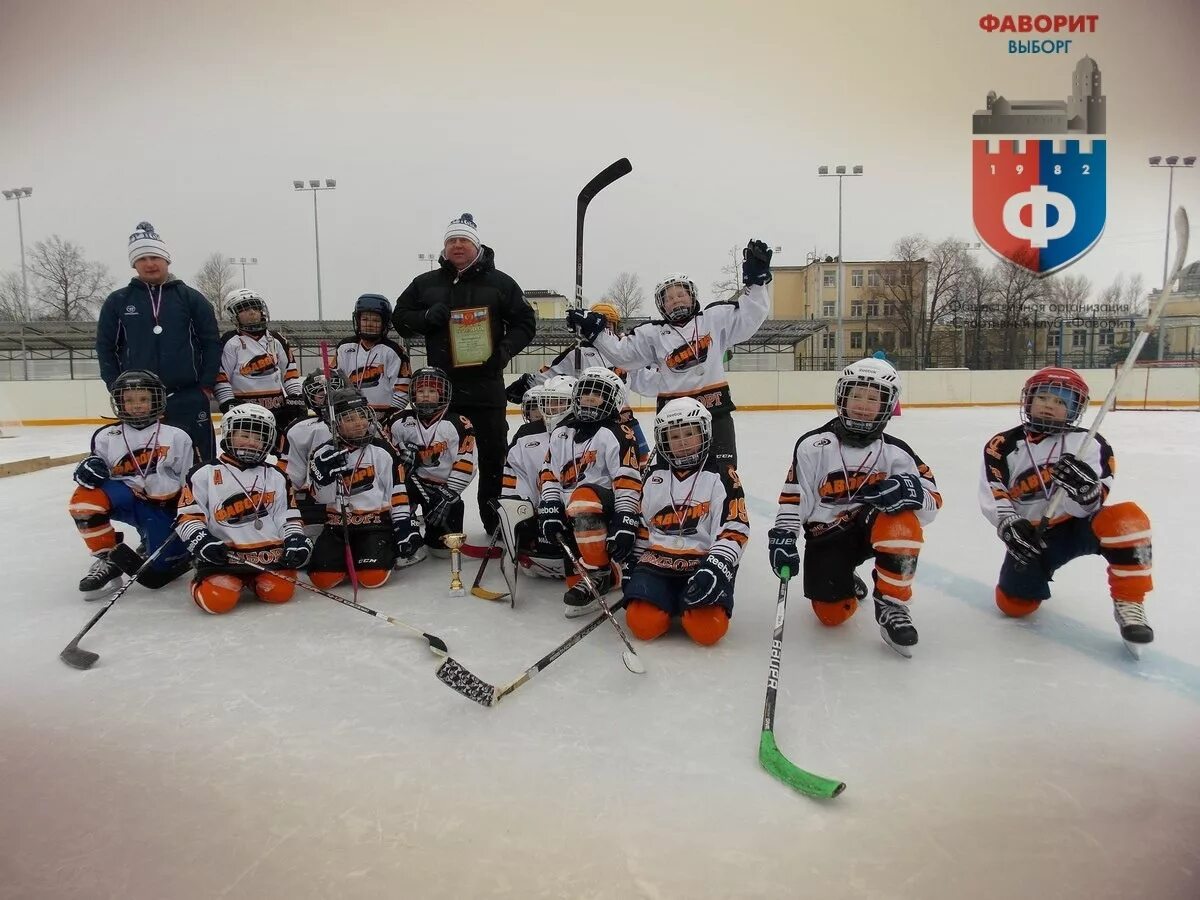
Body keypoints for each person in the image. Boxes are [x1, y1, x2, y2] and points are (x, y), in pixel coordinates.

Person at [767, 358, 941, 657]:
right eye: (856, 395)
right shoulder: (813, 446)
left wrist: (913, 492)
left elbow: (931, 502)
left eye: (873, 398)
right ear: (842, 398)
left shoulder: (897, 453)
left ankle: (892, 603)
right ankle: (847, 579)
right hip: (827, 535)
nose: (863, 404)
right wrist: (784, 534)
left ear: (888, 405)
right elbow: (794, 498)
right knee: (831, 615)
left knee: (900, 522)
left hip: (872, 526)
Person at [978, 366, 1154, 653]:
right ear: (1028, 400)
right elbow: (993, 490)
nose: (1049, 406)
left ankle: (1130, 603)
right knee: (1013, 605)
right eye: (1043, 397)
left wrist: (1086, 491)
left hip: (1076, 526)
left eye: (1061, 402)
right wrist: (1009, 524)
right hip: (1032, 537)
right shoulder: (1003, 445)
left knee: (1127, 520)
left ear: (1075, 409)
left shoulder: (1089, 443)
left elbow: (1096, 499)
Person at [566, 239, 773, 468]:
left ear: (693, 296)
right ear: (661, 305)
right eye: (669, 298)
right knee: (671, 479)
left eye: (681, 294)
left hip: (716, 412)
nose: (676, 300)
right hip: (673, 419)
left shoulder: (715, 318)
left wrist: (757, 282)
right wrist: (597, 332)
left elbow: (750, 317)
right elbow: (623, 355)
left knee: (723, 474)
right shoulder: (652, 334)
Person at [393, 213, 537, 537]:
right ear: (444, 248)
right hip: (441, 394)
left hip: (486, 389)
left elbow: (526, 323)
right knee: (437, 457)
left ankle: (494, 520)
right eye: (451, 241)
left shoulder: (501, 283)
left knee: (492, 457)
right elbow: (400, 318)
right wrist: (427, 317)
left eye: (464, 240)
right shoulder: (425, 284)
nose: (457, 246)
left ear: (476, 245)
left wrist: (502, 352)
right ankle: (440, 518)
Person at [623, 398, 750, 646]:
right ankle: (666, 600)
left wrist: (716, 567)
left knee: (707, 631)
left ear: (705, 432)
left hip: (702, 564)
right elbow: (642, 525)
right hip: (657, 562)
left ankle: (681, 603)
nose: (682, 442)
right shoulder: (654, 476)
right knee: (642, 625)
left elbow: (735, 528)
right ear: (662, 439)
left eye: (689, 433)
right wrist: (632, 566)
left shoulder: (722, 476)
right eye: (674, 435)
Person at [96, 221, 221, 461]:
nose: (150, 264)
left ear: (167, 260)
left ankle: (198, 499)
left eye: (155, 257)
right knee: (145, 461)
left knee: (199, 460)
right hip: (139, 397)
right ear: (134, 263)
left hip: (187, 394)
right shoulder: (118, 301)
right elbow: (105, 346)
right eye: (142, 259)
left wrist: (205, 386)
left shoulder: (191, 298)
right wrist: (115, 386)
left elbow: (211, 343)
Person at [174, 404, 312, 614]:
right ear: (228, 433)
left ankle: (253, 581)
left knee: (279, 593)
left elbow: (288, 518)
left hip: (268, 557)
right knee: (217, 602)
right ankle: (204, 583)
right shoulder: (204, 474)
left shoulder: (277, 476)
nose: (251, 442)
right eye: (244, 434)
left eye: (258, 437)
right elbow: (188, 518)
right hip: (225, 558)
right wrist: (202, 541)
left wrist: (295, 540)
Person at [68, 370, 194, 595]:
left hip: (163, 507)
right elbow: (98, 472)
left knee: (164, 564)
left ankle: (153, 540)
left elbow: (190, 482)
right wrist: (87, 470)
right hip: (126, 499)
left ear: (157, 400)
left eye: (144, 399)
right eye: (129, 400)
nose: (136, 405)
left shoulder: (177, 436)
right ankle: (108, 558)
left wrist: (187, 519)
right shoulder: (106, 436)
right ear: (119, 402)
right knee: (85, 501)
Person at [537, 367, 642, 617]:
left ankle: (600, 573)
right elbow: (549, 474)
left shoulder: (617, 432)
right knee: (572, 583)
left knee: (583, 497)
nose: (589, 399)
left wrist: (626, 520)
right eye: (585, 394)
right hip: (572, 512)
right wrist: (550, 508)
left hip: (601, 509)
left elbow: (627, 481)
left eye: (598, 395)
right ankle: (611, 570)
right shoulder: (561, 432)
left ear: (613, 401)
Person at [508, 301, 650, 467]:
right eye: (604, 325)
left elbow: (648, 374)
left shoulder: (625, 351)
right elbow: (553, 373)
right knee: (593, 461)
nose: (607, 329)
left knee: (639, 460)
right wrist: (528, 383)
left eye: (610, 324)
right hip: (590, 416)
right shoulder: (578, 353)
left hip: (624, 416)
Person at [306, 388, 421, 588]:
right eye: (350, 419)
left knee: (371, 578)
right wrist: (323, 480)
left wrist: (403, 525)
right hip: (337, 527)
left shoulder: (382, 451)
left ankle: (373, 553)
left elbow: (397, 492)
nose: (359, 423)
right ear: (334, 423)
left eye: (362, 416)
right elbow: (321, 499)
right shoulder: (323, 453)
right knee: (322, 579)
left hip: (375, 525)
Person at [387, 367, 477, 565]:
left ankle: (432, 531)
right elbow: (383, 457)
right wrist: (401, 461)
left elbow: (466, 462)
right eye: (421, 391)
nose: (425, 396)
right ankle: (406, 529)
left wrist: (449, 494)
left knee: (442, 551)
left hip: (441, 489)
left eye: (431, 391)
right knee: (396, 507)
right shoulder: (399, 421)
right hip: (409, 484)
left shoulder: (458, 423)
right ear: (413, 395)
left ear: (442, 394)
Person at [496, 376, 576, 580]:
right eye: (548, 402)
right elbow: (514, 474)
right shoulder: (526, 434)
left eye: (559, 402)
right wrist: (513, 508)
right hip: (539, 512)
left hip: (573, 514)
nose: (552, 408)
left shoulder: (585, 432)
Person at [215, 289, 305, 435]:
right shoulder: (230, 342)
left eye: (256, 308)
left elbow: (290, 373)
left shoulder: (277, 339)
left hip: (278, 410)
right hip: (244, 412)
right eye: (245, 309)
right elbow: (221, 377)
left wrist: (295, 396)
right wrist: (227, 402)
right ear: (234, 315)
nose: (252, 312)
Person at [278, 370, 344, 536]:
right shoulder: (298, 429)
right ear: (309, 398)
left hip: (359, 494)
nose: (328, 398)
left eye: (333, 391)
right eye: (321, 394)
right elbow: (293, 477)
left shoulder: (360, 422)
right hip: (317, 498)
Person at [335, 294, 412, 417]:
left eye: (376, 320)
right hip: (351, 416)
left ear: (385, 323)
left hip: (384, 416)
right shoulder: (344, 347)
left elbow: (402, 390)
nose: (369, 324)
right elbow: (335, 382)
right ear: (358, 320)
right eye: (365, 319)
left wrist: (391, 416)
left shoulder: (394, 351)